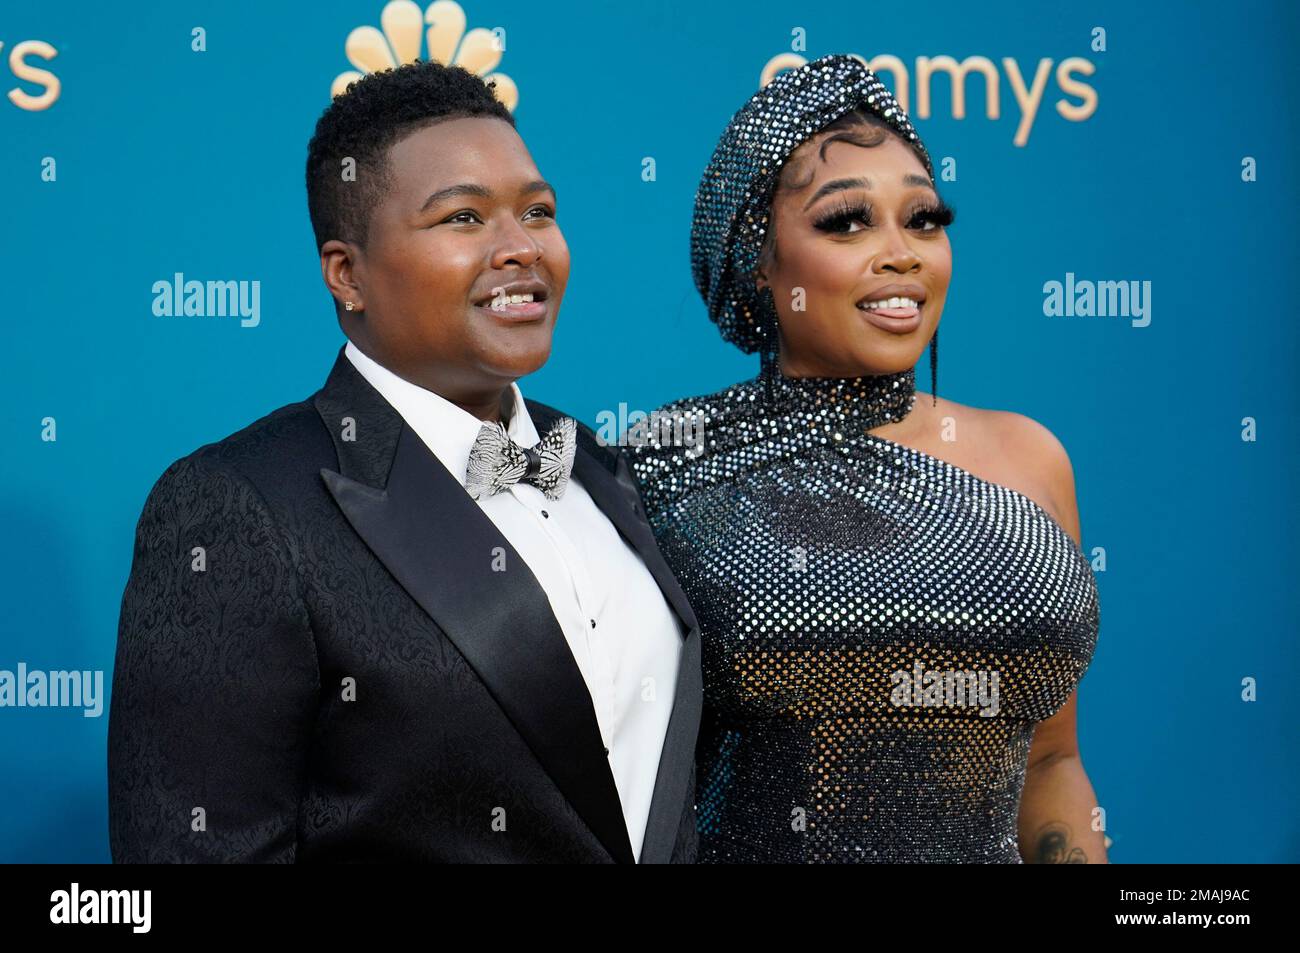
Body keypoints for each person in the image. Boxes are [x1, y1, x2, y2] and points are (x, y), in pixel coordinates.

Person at [107, 60, 701, 863]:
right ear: (347, 274)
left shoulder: (595, 463)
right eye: (463, 217)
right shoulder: (239, 506)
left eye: (538, 211)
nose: (521, 247)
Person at [628, 54, 1104, 863]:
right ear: (758, 260)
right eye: (847, 221)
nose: (902, 253)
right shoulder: (670, 467)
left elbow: (1051, 761)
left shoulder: (1030, 457)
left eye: (924, 219)